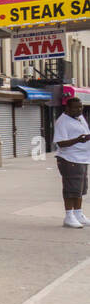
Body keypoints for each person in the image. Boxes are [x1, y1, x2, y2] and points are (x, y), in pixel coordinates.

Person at [53, 92, 90, 228]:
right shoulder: (62, 122)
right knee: (71, 189)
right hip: (69, 159)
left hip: (82, 158)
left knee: (80, 189)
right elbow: (61, 143)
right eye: (75, 108)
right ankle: (69, 216)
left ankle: (79, 214)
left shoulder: (79, 118)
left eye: (80, 107)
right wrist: (79, 139)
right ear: (67, 109)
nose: (79, 110)